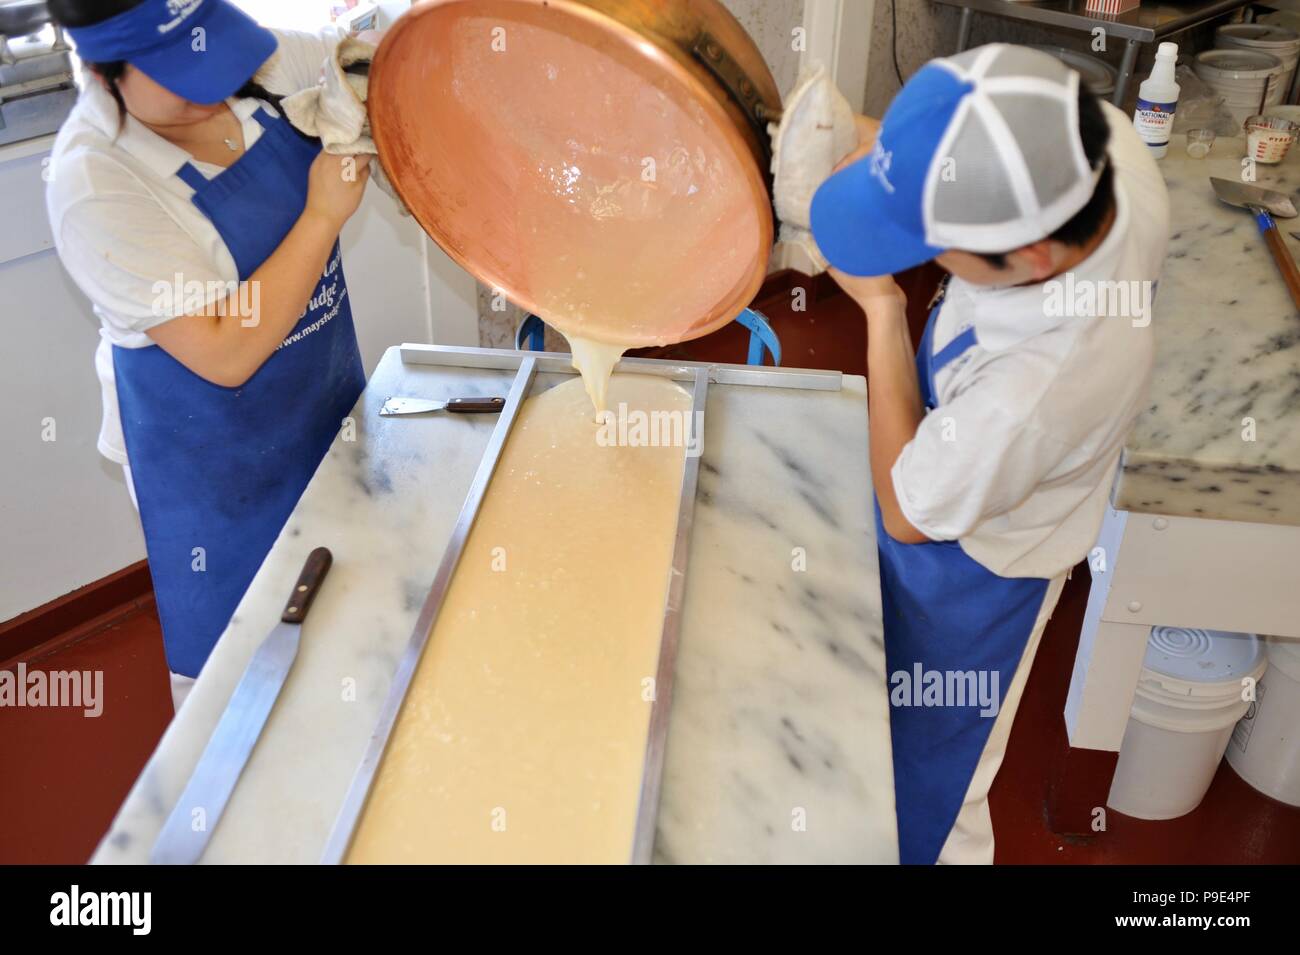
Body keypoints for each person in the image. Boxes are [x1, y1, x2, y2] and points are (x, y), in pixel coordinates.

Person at [810, 44, 1169, 864]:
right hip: (963, 457)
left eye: (931, 242)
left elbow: (907, 512)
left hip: (982, 566)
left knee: (932, 781)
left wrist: (879, 311)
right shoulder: (1102, 152)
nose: (917, 252)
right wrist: (867, 139)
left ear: (1032, 260)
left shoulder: (1040, 384)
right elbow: (969, 130)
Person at [46, 0, 375, 710]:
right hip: (213, 475)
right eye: (183, 72)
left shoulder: (247, 69)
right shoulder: (94, 185)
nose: (212, 85)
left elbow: (356, 53)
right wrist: (322, 215)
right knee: (249, 681)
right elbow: (226, 350)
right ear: (105, 73)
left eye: (216, 54)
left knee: (356, 637)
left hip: (320, 405)